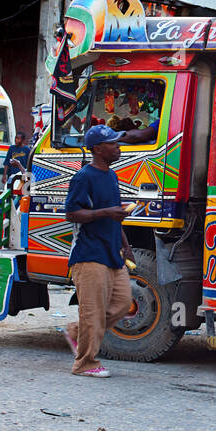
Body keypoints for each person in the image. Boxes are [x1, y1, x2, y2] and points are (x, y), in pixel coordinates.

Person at [62, 124, 135, 378]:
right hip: (89, 253)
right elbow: (72, 213)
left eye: (117, 141)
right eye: (112, 143)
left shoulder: (111, 175)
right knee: (92, 310)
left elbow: (115, 216)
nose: (118, 146)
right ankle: (85, 363)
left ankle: (77, 332)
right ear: (97, 149)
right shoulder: (83, 176)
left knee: (123, 303)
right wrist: (105, 213)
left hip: (112, 252)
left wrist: (125, 246)